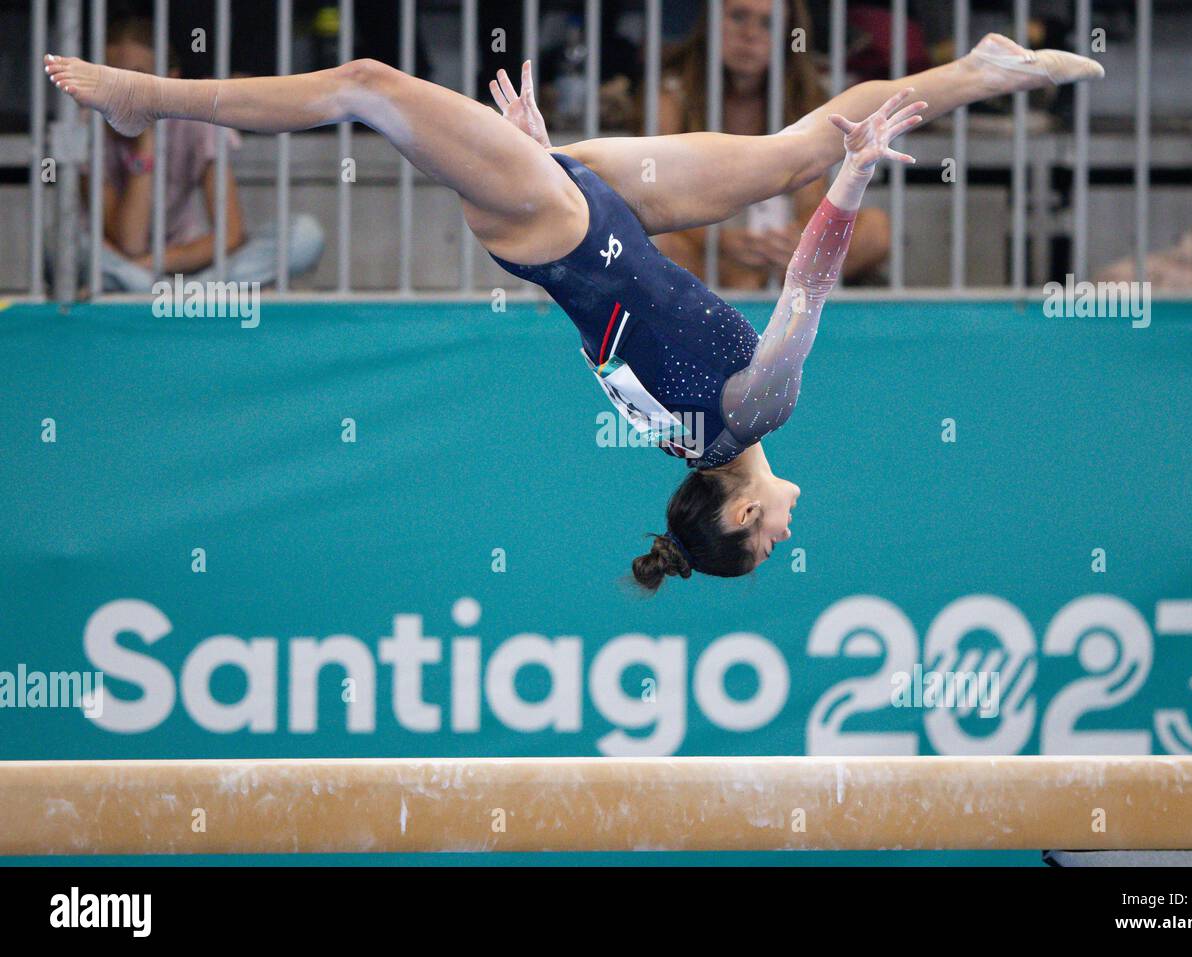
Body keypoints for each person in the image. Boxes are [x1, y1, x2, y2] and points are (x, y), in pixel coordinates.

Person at [45, 33, 1102, 590]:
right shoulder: (678, 437)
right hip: (589, 211)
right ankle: (980, 71)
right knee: (795, 149)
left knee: (365, 81)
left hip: (557, 219)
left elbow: (808, 288)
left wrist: (859, 182)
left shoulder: (753, 415)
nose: (789, 531)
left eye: (771, 543)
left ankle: (147, 101)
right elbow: (624, 320)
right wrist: (538, 156)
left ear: (741, 515)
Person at [648, 0, 891, 289]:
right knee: (660, 242)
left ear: (788, 36)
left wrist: (795, 238)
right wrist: (718, 241)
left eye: (768, 24)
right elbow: (656, 197)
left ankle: (787, 286)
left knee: (875, 229)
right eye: (738, 17)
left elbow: (810, 200)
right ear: (711, 23)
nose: (750, 34)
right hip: (702, 243)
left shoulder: (805, 100)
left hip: (779, 245)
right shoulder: (672, 99)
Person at [85, 17, 324, 293]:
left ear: (170, 81)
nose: (123, 93)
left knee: (304, 235)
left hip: (174, 265)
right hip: (115, 261)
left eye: (137, 79)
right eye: (113, 79)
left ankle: (170, 290)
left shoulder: (196, 120)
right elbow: (131, 243)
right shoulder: (88, 128)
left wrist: (148, 266)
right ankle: (187, 293)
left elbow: (230, 235)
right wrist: (145, 141)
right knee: (68, 246)